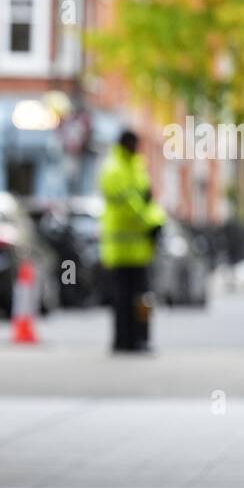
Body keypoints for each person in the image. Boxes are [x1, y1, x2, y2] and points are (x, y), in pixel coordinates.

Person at [99, 129, 165, 352]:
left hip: (140, 249)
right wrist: (150, 223)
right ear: (127, 144)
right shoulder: (114, 169)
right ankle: (123, 340)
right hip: (120, 250)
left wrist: (157, 221)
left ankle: (140, 339)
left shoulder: (137, 166)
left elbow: (148, 199)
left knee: (141, 300)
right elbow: (128, 205)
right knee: (123, 299)